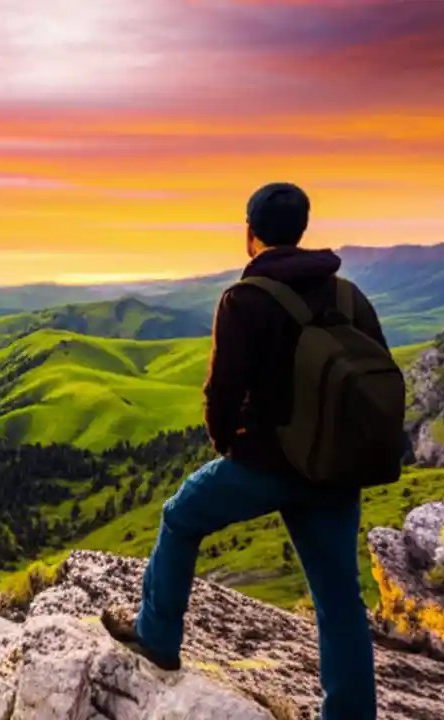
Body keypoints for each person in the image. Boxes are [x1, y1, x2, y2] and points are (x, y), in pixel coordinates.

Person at [103, 182, 391, 720]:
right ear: (301, 229)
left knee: (181, 517)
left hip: (265, 463)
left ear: (250, 233)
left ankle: (157, 637)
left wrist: (229, 445)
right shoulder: (349, 295)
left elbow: (222, 391)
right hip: (333, 469)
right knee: (339, 600)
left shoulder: (246, 298)